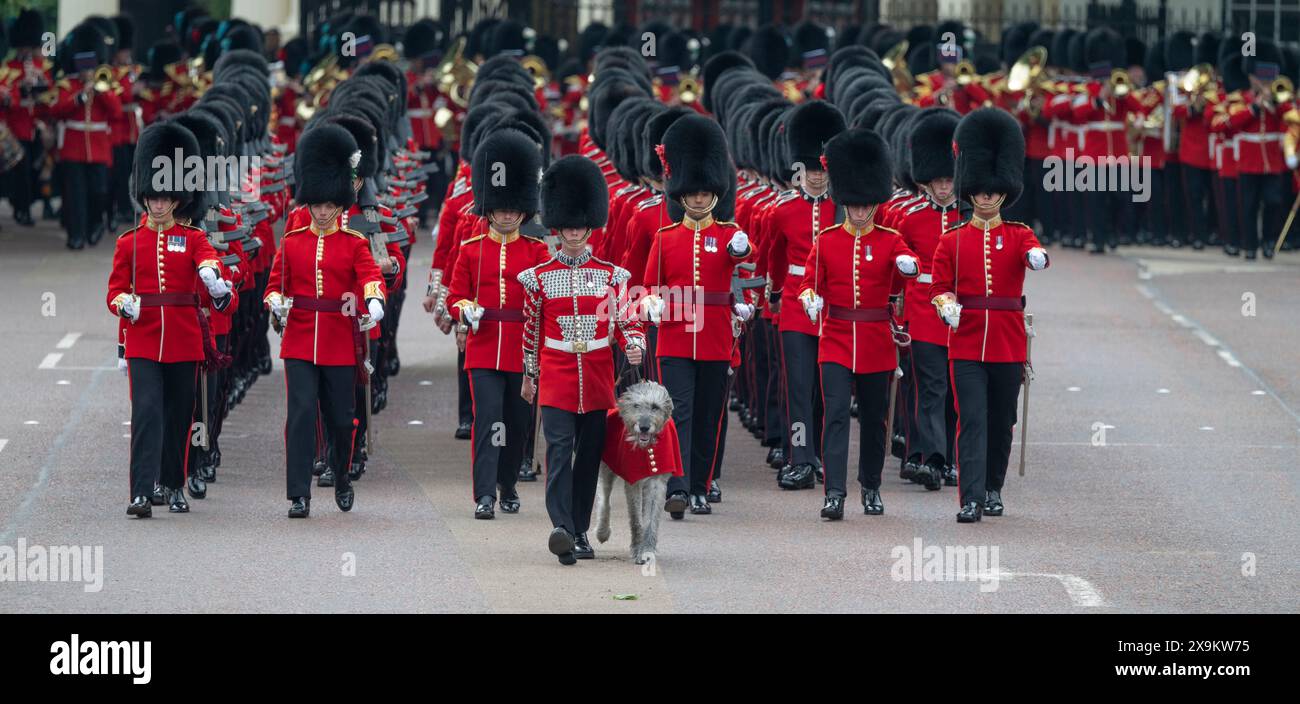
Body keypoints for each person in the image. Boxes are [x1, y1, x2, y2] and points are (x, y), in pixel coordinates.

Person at [520, 155, 645, 565]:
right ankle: (561, 526)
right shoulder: (537, 278)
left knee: (589, 457)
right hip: (556, 374)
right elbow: (533, 329)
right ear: (558, 228)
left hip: (595, 376)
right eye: (568, 227)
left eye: (579, 226)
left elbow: (626, 318)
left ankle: (579, 529)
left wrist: (635, 343)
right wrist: (529, 373)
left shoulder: (612, 276)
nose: (574, 233)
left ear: (589, 226)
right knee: (557, 452)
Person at [929, 108, 1049, 523]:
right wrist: (946, 306)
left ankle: (994, 487)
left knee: (1002, 422)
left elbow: (1034, 256)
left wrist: (1037, 257)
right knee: (972, 420)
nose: (984, 196)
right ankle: (971, 497)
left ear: (1003, 190)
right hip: (965, 342)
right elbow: (939, 286)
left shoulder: (1018, 234)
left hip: (1007, 342)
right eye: (978, 189)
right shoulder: (952, 240)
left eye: (991, 190)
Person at [107, 121, 232, 517]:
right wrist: (124, 304)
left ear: (178, 200)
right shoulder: (129, 242)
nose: (158, 204)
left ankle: (173, 485)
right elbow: (114, 291)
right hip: (144, 338)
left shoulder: (192, 237)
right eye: (152, 198)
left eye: (165, 198)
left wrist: (212, 277)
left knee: (181, 415)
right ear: (144, 197)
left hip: (182, 339)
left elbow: (207, 257)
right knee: (146, 412)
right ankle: (142, 492)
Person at [264, 124, 387, 518]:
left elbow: (370, 275)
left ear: (339, 201)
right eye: (315, 203)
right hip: (299, 339)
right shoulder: (293, 240)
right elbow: (273, 285)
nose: (320, 210)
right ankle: (298, 493)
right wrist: (276, 303)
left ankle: (342, 474)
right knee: (300, 414)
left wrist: (374, 299)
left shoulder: (353, 242)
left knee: (340, 417)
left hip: (337, 340)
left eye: (327, 204)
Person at [798, 127, 919, 519]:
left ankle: (871, 485)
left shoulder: (891, 239)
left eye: (867, 204)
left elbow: (907, 272)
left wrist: (908, 266)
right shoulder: (828, 239)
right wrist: (809, 298)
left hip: (875, 341)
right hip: (834, 337)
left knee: (873, 419)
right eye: (854, 204)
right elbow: (808, 283)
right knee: (834, 416)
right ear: (844, 200)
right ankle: (834, 492)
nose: (860, 211)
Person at [641, 114, 754, 517]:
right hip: (674, 336)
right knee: (677, 414)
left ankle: (703, 486)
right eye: (693, 192)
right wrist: (649, 304)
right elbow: (649, 285)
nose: (700, 198)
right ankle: (680, 486)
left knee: (710, 415)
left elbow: (743, 257)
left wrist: (741, 248)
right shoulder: (665, 237)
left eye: (706, 192)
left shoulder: (727, 233)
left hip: (715, 337)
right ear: (681, 193)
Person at [447, 128, 550, 519]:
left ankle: (507, 483)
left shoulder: (537, 250)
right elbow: (456, 296)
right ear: (488, 207)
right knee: (488, 419)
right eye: (501, 208)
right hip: (484, 345)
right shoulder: (472, 249)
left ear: (524, 209)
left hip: (523, 350)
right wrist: (464, 310)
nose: (507, 214)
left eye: (513, 209)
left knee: (517, 422)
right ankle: (484, 493)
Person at [760, 101, 845, 492]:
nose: (815, 177)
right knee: (798, 387)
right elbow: (774, 260)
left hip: (834, 308)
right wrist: (774, 296)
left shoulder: (844, 212)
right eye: (810, 170)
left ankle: (824, 457)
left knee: (828, 391)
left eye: (821, 170)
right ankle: (799, 458)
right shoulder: (782, 212)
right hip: (795, 305)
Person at [895, 109, 966, 490]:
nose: (943, 187)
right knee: (931, 387)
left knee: (956, 388)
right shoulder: (910, 218)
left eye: (948, 180)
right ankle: (933, 458)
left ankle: (951, 458)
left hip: (960, 313)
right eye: (937, 180)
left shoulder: (969, 216)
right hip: (922, 311)